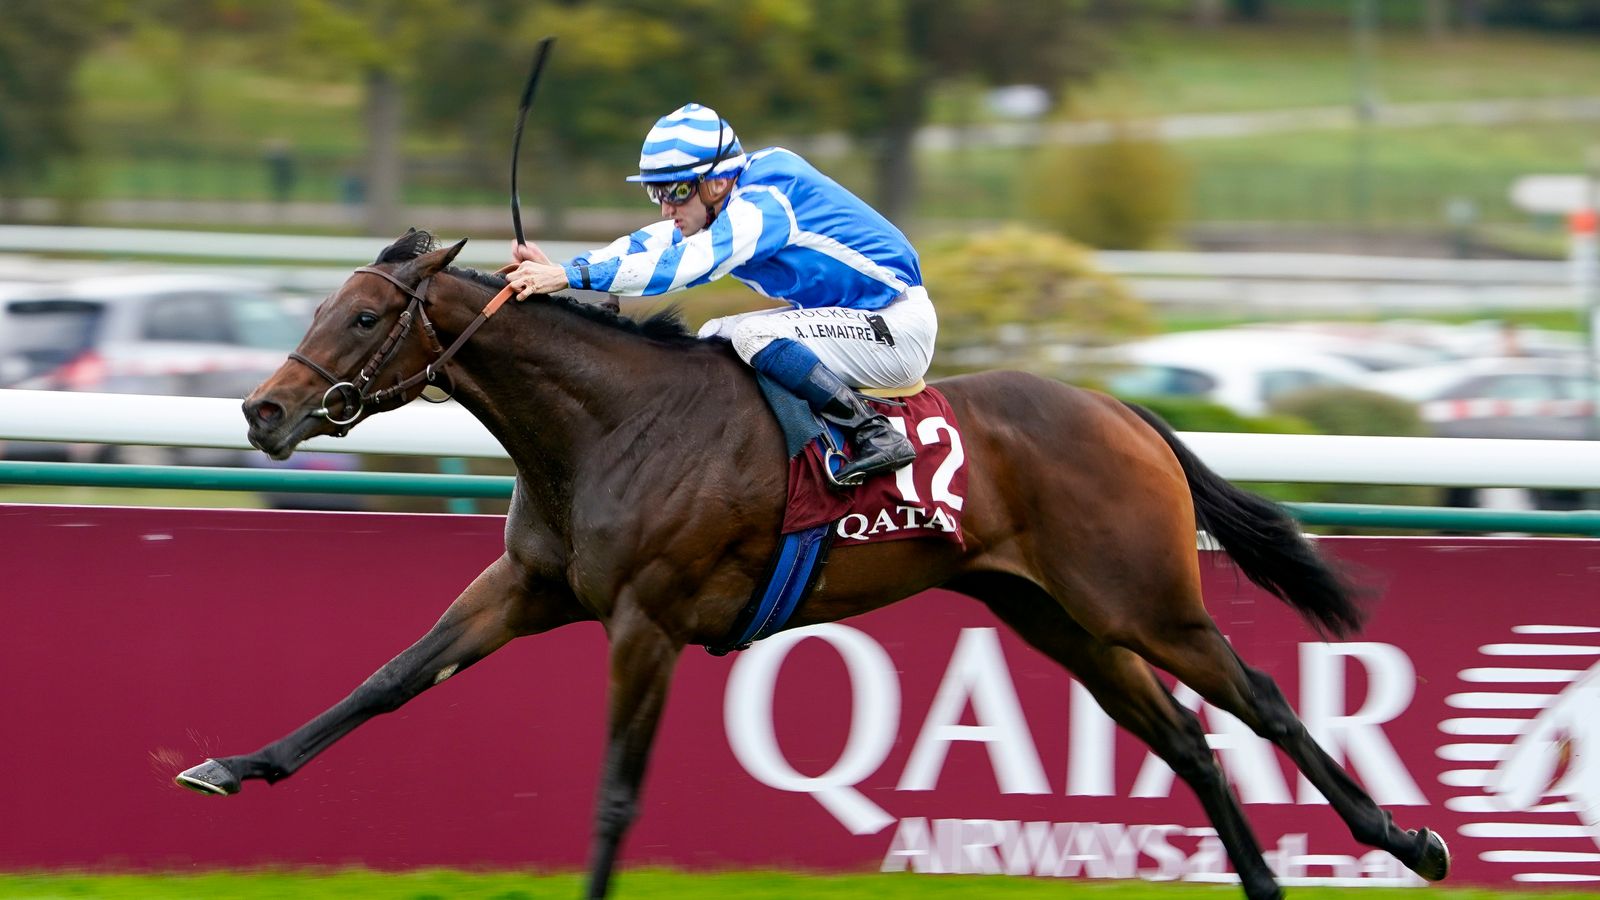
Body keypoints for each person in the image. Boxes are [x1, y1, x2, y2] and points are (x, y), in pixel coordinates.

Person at [505, 102, 935, 486]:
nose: (665, 207)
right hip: (858, 321)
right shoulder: (725, 204)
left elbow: (684, 266)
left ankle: (873, 433)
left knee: (752, 336)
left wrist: (568, 276)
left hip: (894, 327)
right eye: (656, 192)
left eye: (674, 191)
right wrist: (563, 270)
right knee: (715, 334)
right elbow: (648, 244)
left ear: (716, 183)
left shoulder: (765, 203)